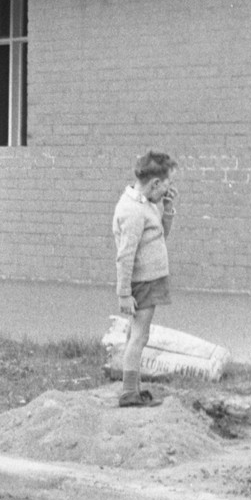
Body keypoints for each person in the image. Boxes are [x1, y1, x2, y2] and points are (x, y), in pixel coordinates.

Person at [112, 151, 177, 407]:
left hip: (150, 281)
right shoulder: (133, 211)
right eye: (168, 184)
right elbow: (124, 256)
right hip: (144, 283)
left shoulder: (144, 204)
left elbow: (159, 236)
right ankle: (129, 393)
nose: (169, 190)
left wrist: (167, 210)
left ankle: (134, 388)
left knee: (136, 334)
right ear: (155, 183)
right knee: (139, 336)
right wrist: (124, 293)